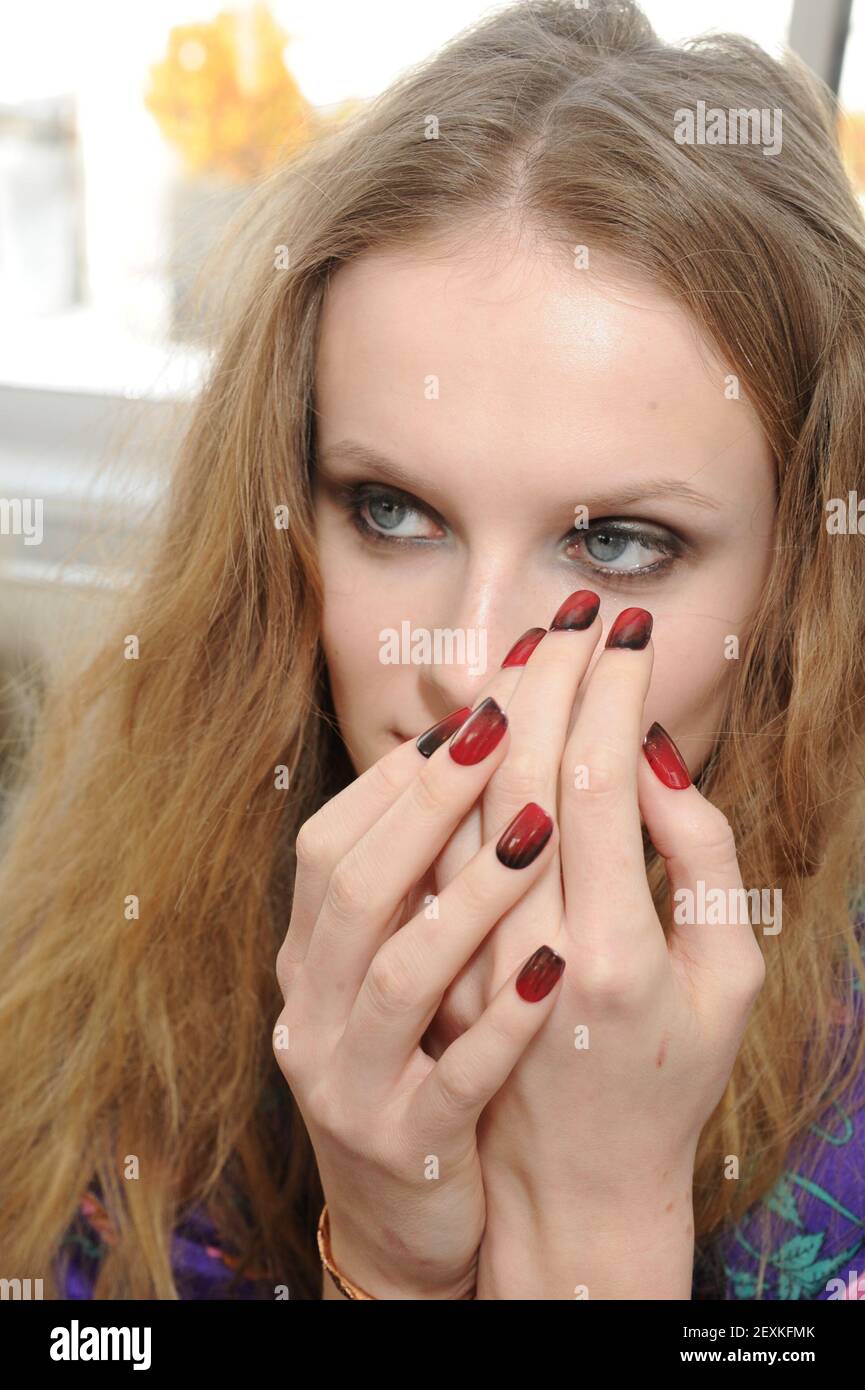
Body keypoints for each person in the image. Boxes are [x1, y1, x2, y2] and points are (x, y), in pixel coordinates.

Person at [2, 0, 864, 1300]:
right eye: (390, 511)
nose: (464, 662)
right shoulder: (148, 956)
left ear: (804, 574)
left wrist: (591, 1237)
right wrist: (392, 1267)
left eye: (617, 542)